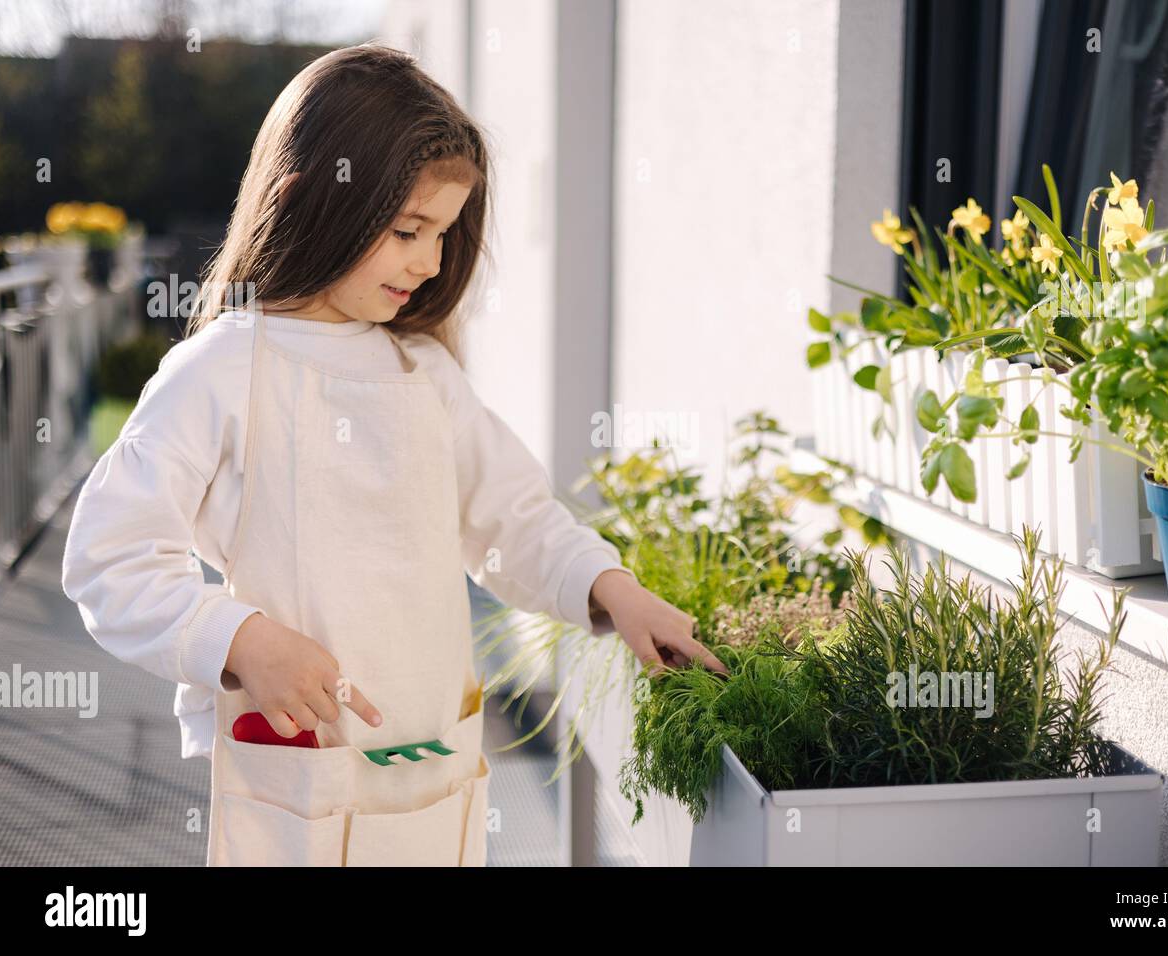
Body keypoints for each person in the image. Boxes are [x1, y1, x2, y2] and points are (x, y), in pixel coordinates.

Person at [60, 42, 725, 867]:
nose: (431, 261)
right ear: (306, 202)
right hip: (299, 777)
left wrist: (610, 588)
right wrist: (242, 641)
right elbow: (107, 558)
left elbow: (512, 519)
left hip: (432, 774)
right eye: (409, 229)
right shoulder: (221, 372)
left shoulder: (426, 373)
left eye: (444, 234)